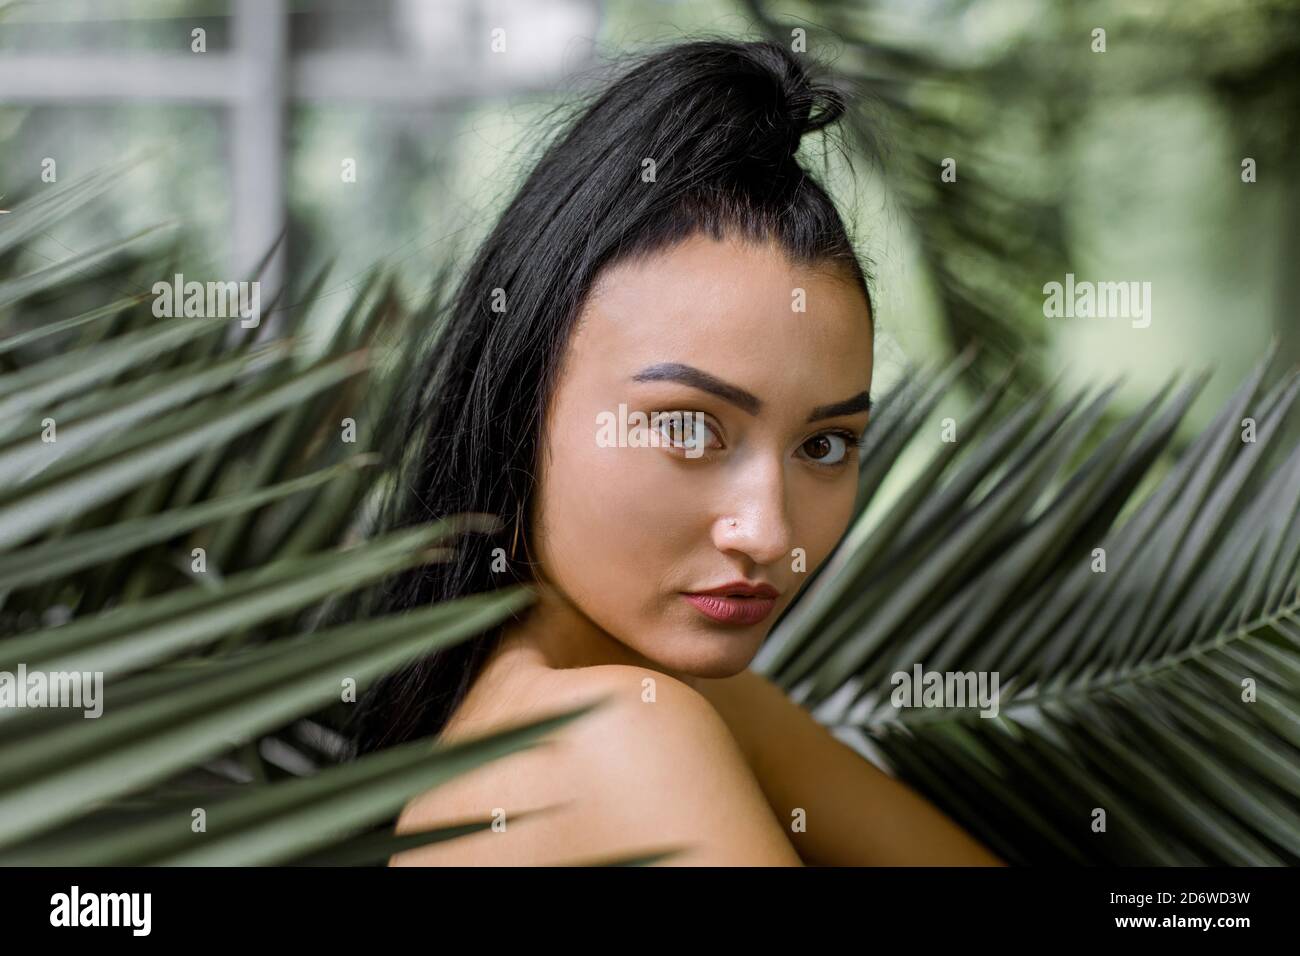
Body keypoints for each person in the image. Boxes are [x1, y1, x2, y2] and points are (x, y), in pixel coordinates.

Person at [351, 37, 1004, 866]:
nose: (769, 534)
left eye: (825, 443)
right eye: (689, 427)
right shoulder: (617, 734)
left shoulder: (673, 706)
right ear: (522, 404)